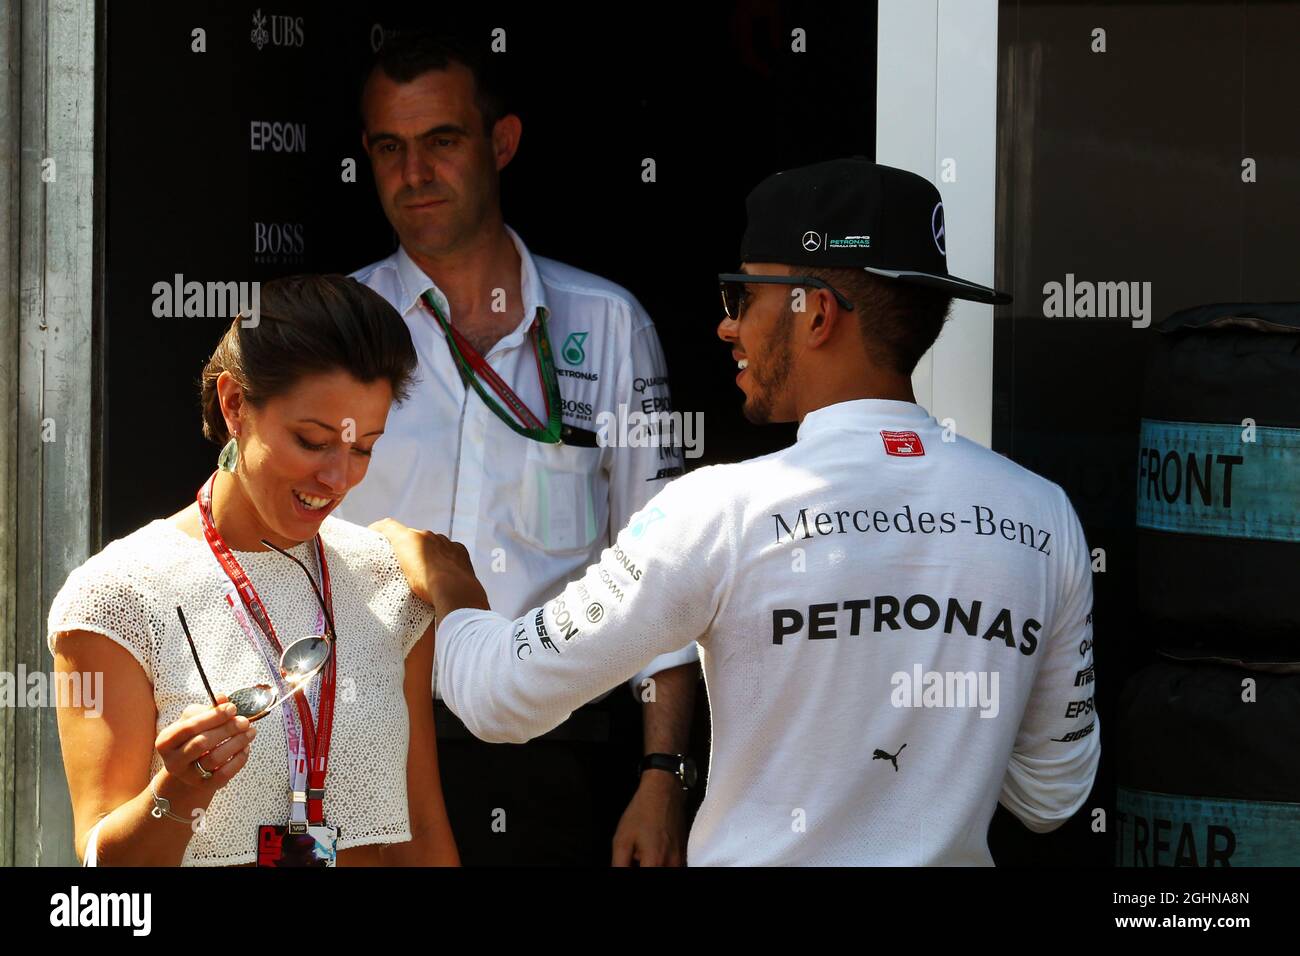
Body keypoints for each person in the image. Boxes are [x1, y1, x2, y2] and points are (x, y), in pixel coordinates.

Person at [377, 159, 1101, 865]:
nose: (726, 329)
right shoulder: (1040, 517)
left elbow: (502, 696)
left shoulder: (721, 510)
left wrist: (448, 580)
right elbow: (1052, 794)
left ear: (814, 312)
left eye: (741, 298)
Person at [339, 31, 699, 865]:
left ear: (502, 143)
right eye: (389, 148)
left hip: (558, 753)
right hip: (368, 740)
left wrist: (662, 773)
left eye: (442, 141)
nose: (414, 173)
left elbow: (664, 569)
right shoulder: (338, 325)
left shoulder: (607, 323)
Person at [47, 275, 459, 866]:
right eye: (313, 441)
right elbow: (103, 872)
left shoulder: (389, 582)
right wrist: (180, 792)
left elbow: (419, 827)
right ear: (234, 404)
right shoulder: (116, 595)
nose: (338, 479)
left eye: (364, 446)